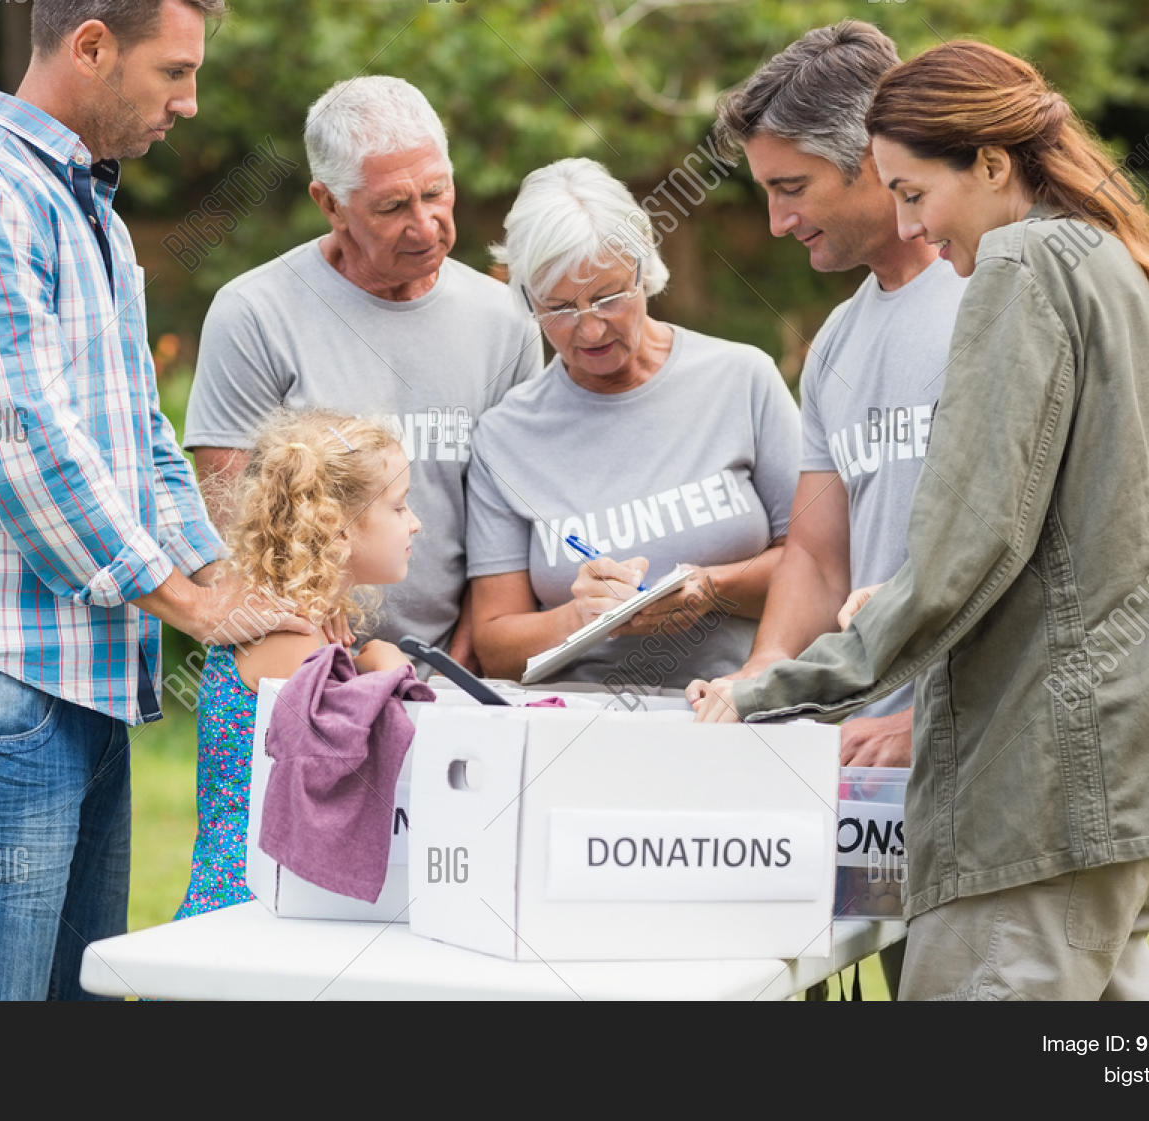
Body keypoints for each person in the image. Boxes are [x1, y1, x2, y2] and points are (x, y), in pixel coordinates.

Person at [690, 41, 1149, 1001]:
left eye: (915, 193)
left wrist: (784, 688)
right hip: (1118, 783)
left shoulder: (1022, 264)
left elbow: (972, 541)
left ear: (990, 165)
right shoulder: (1113, 262)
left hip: (1035, 796)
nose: (915, 226)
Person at [0, 0, 305, 1001]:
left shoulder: (88, 210)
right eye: (174, 73)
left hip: (91, 678)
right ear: (93, 45)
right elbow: (23, 441)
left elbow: (139, 433)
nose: (189, 103)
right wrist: (185, 603)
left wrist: (228, 585)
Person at [712, 19, 969, 996]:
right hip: (872, 778)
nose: (778, 224)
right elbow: (820, 560)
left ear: (871, 158)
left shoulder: (992, 292)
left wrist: (933, 718)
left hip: (984, 755)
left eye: (791, 190)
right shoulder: (835, 344)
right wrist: (760, 687)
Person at [183, 75, 543, 671]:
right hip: (300, 663)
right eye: (394, 206)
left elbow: (509, 507)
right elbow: (230, 519)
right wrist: (322, 658)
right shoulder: (256, 313)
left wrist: (471, 643)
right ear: (330, 204)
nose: (426, 226)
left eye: (437, 193)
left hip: (455, 665)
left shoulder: (506, 320)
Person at [465, 158, 801, 691]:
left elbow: (819, 564)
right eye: (559, 308)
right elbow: (495, 645)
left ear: (644, 267)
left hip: (734, 712)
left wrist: (711, 587)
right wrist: (579, 618)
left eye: (609, 296)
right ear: (526, 299)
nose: (591, 328)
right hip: (577, 724)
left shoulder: (742, 379)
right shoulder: (504, 437)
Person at [175, 410, 421, 917]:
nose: (415, 522)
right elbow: (342, 770)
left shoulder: (290, 620)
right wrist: (386, 669)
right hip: (252, 905)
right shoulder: (292, 637)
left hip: (248, 889)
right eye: (398, 508)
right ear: (338, 531)